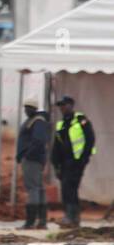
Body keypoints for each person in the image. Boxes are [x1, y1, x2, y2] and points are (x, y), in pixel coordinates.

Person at [50, 95, 96, 228]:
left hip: (76, 161)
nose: (62, 108)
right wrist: (55, 163)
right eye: (60, 106)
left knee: (69, 187)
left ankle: (71, 217)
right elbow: (57, 145)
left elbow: (90, 139)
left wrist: (83, 159)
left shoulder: (81, 120)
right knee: (67, 189)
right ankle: (71, 217)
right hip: (64, 162)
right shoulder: (61, 123)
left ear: (71, 105)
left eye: (64, 105)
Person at [16, 99, 51, 229]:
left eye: (29, 107)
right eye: (25, 107)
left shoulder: (37, 121)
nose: (26, 110)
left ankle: (30, 222)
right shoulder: (34, 120)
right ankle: (42, 221)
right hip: (33, 159)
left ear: (34, 108)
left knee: (33, 189)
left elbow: (39, 141)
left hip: (32, 160)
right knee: (39, 189)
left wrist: (27, 154)